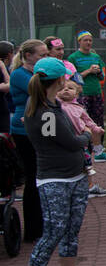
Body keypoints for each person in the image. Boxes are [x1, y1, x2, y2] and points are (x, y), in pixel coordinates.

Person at [18, 57, 101, 266]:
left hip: (73, 176)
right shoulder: (43, 112)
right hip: (55, 179)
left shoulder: (54, 105)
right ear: (60, 80)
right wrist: (89, 135)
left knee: (71, 231)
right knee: (53, 232)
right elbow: (69, 142)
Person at [54, 68, 106, 199]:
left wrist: (96, 129)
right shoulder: (57, 106)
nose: (66, 90)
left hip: (80, 141)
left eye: (70, 88)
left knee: (86, 163)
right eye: (62, 88)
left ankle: (88, 186)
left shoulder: (79, 108)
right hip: (66, 140)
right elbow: (47, 126)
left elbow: (88, 121)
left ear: (77, 93)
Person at [10, 39, 47, 242]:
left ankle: (44, 222)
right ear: (28, 56)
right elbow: (40, 91)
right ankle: (33, 229)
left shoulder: (35, 74)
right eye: (41, 55)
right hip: (24, 130)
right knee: (33, 177)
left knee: (42, 175)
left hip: (39, 125)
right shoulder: (19, 75)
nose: (45, 58)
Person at [67, 31, 106, 160]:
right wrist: (88, 71)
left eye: (90, 40)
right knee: (84, 121)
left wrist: (97, 72)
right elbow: (73, 78)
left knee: (98, 120)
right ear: (79, 42)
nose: (88, 43)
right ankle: (87, 149)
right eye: (85, 40)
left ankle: (99, 148)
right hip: (82, 93)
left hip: (96, 91)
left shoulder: (95, 57)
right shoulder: (73, 57)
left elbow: (102, 75)